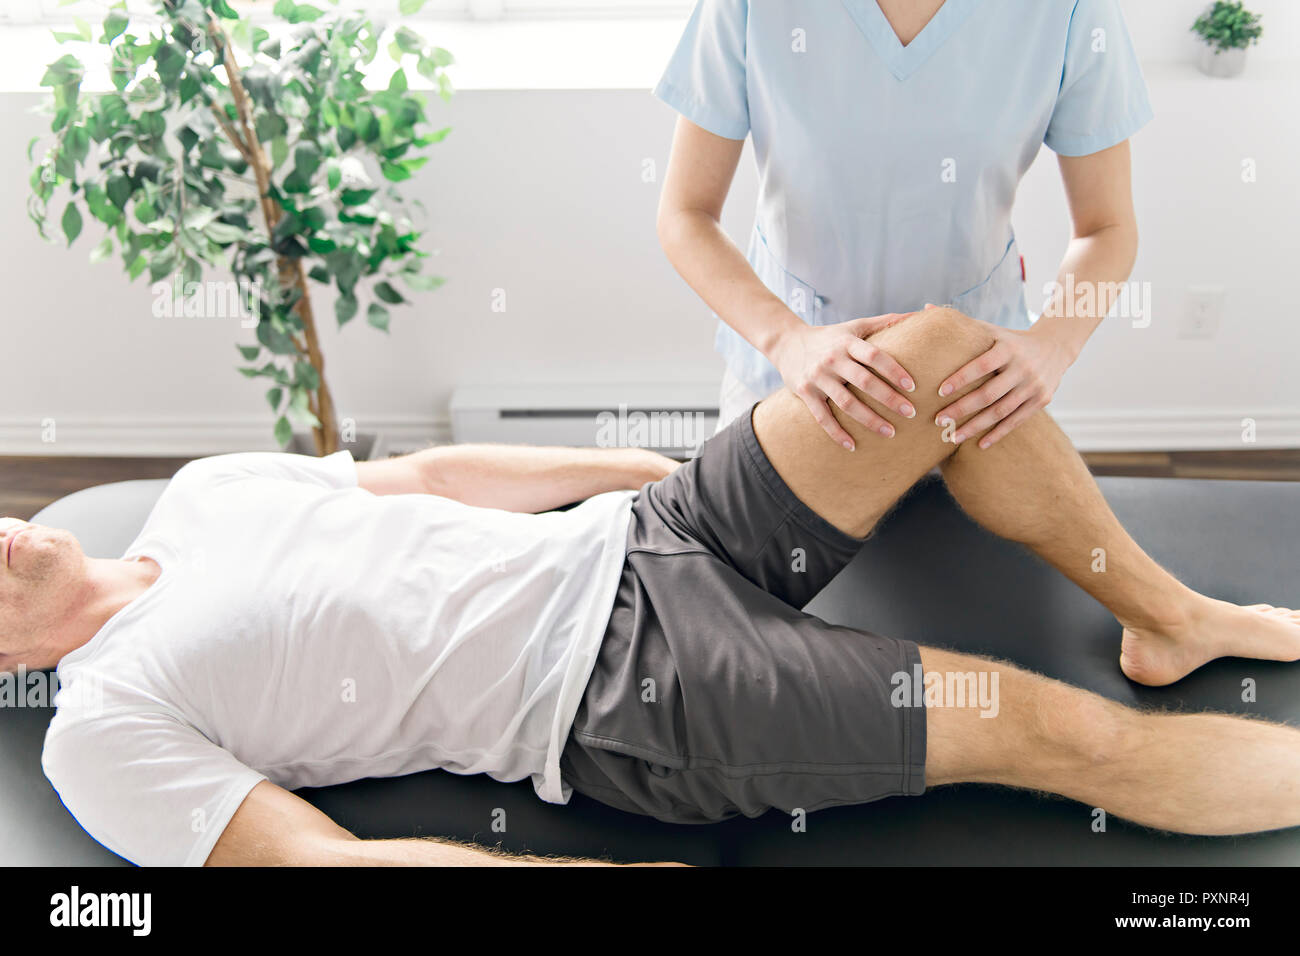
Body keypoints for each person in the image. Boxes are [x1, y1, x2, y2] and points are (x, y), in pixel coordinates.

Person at [8, 307, 1299, 867]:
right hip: (631, 694)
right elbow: (313, 862)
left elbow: (429, 478)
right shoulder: (104, 724)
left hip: (653, 532)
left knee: (942, 353)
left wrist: (655, 469)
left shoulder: (201, 489)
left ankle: (1173, 619)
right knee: (1052, 732)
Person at [654, 0, 1153, 447]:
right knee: (736, 546)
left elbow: (1105, 227)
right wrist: (788, 341)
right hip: (789, 379)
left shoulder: (1069, 10)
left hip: (974, 391)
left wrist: (1053, 346)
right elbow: (686, 214)